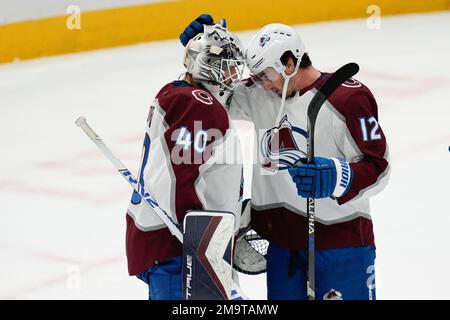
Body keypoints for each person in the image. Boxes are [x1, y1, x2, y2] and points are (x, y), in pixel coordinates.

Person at [180, 16, 390, 300]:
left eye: (266, 75)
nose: (263, 85)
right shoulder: (258, 95)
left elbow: (379, 168)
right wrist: (201, 57)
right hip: (282, 249)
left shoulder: (348, 99)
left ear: (289, 63)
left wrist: (338, 176)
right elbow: (206, 102)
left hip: (342, 246)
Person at [125, 23, 247, 300]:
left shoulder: (178, 91)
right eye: (226, 67)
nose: (233, 75)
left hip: (171, 247)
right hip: (181, 252)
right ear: (206, 67)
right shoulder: (199, 107)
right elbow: (177, 180)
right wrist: (205, 255)